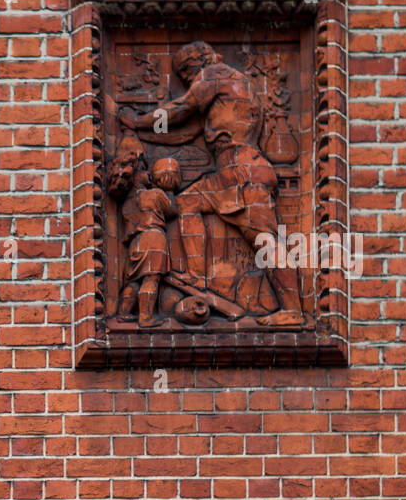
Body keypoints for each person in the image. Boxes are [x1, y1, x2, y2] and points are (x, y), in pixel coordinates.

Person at [118, 41, 304, 327]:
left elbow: (182, 108)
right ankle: (197, 275)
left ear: (195, 65)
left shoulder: (215, 74)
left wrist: (138, 121)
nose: (189, 82)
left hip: (244, 171)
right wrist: (141, 133)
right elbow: (183, 131)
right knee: (186, 203)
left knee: (265, 240)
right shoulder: (229, 91)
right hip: (231, 172)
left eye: (187, 75)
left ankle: (292, 309)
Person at [113, 155, 180, 328]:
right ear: (135, 176)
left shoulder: (127, 202)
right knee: (151, 278)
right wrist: (169, 189)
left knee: (134, 280)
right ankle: (145, 317)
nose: (148, 174)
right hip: (154, 238)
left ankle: (124, 313)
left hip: (136, 242)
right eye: (143, 170)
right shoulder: (154, 194)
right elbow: (172, 210)